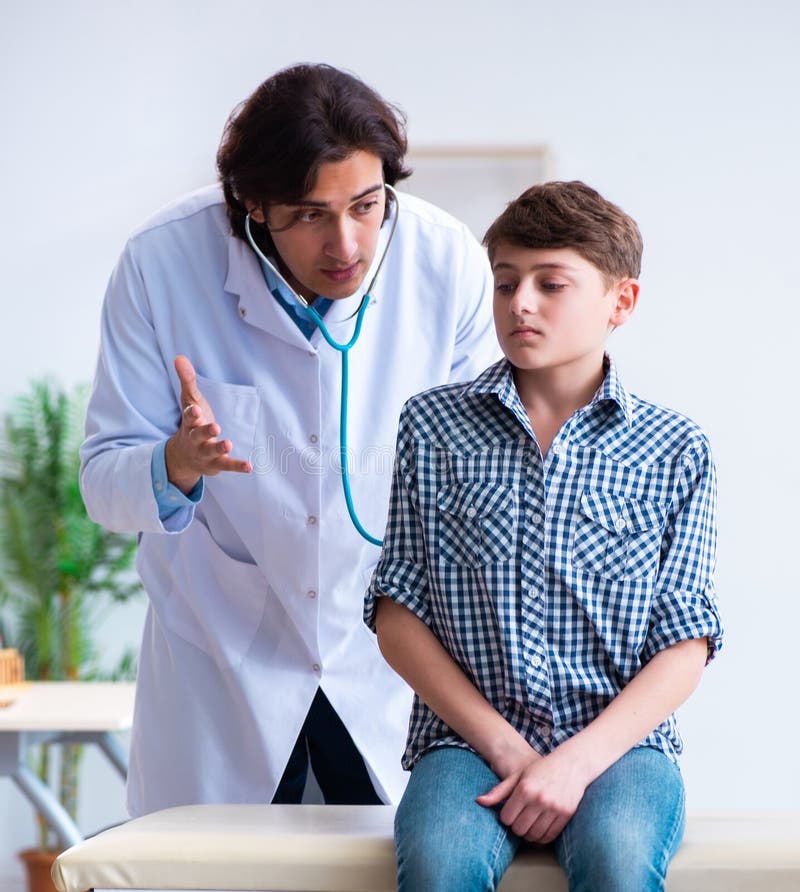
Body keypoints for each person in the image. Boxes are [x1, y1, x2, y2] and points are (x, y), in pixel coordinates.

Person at [79, 63, 499, 816]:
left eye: (367, 206)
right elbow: (103, 484)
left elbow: (485, 471)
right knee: (217, 867)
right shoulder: (161, 264)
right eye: (310, 215)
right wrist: (176, 464)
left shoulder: (445, 260)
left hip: (386, 665)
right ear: (253, 206)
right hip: (223, 663)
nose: (346, 243)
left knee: (391, 861)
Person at [365, 180, 723, 891]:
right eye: (505, 283)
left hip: (622, 750)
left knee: (619, 861)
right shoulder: (431, 426)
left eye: (550, 284)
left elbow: (686, 639)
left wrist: (575, 763)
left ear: (621, 301)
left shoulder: (676, 448)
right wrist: (508, 751)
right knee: (439, 863)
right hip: (464, 744)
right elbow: (398, 611)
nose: (519, 303)